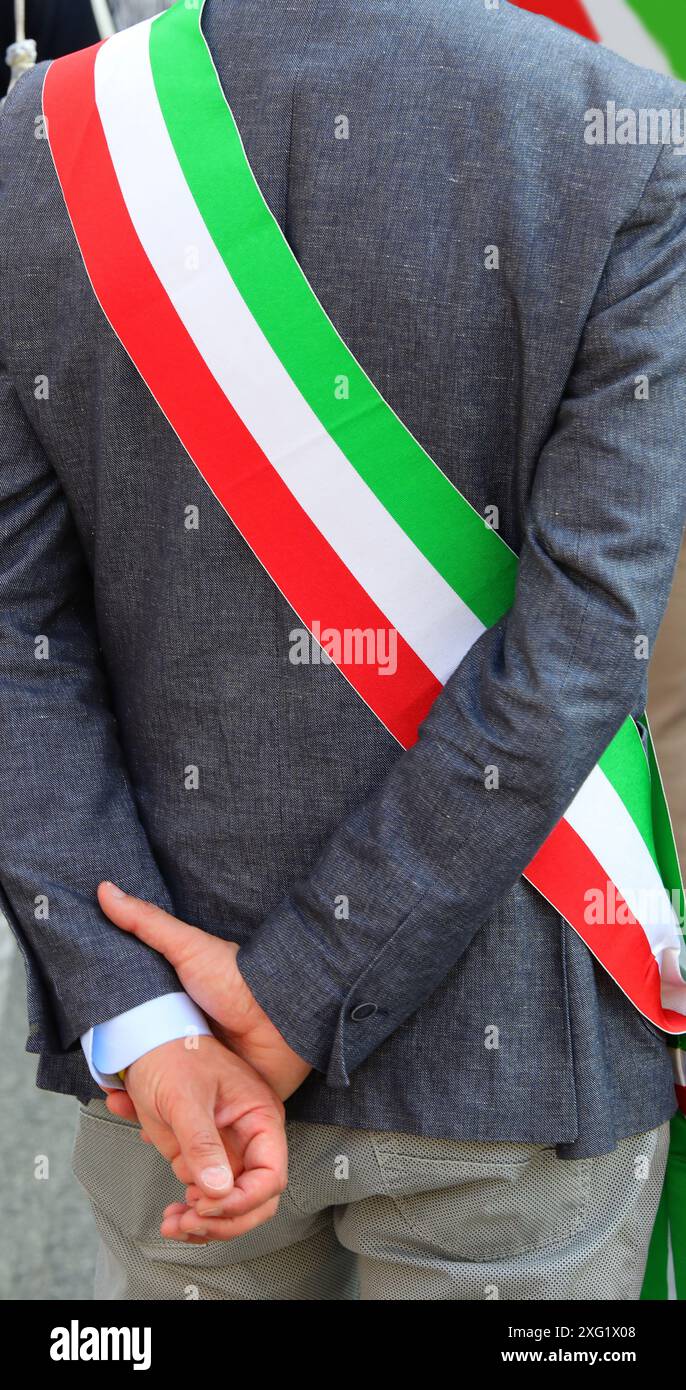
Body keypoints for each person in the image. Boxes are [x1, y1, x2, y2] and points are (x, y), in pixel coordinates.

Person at [0, 0, 685, 1301]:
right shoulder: (621, 138)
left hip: (172, 1083)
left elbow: (14, 641)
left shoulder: (45, 139)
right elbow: (586, 639)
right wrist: (304, 984)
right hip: (507, 1068)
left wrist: (145, 1011)